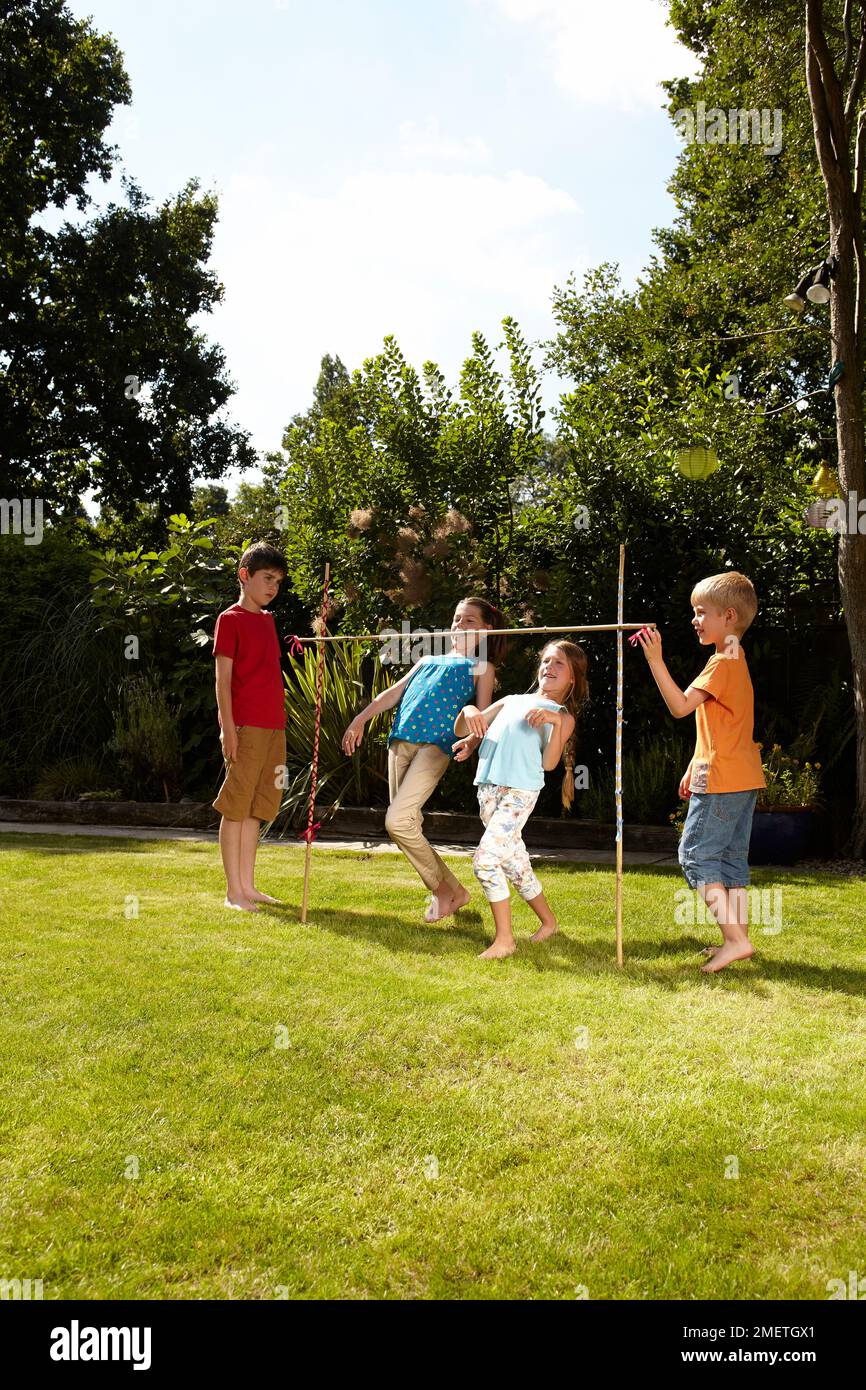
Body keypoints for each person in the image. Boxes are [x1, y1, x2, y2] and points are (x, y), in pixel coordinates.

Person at [342, 597, 506, 922]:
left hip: (435, 746)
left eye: (470, 621)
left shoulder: (482, 667)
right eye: (457, 619)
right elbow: (393, 693)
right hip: (400, 741)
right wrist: (360, 719)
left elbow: (483, 716)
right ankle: (454, 891)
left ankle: (442, 891)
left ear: (486, 630)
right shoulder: (429, 659)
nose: (460, 625)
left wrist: (472, 742)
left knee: (396, 821)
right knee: (406, 825)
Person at [634, 572, 765, 973]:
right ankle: (737, 939)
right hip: (741, 776)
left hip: (723, 780)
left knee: (695, 856)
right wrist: (695, 763)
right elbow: (723, 724)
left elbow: (680, 707)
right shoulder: (734, 658)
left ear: (729, 617)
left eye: (701, 612)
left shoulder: (721, 664)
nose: (694, 619)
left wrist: (655, 660)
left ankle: (736, 941)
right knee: (731, 859)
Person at [454, 640, 588, 959]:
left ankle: (505, 940)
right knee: (514, 862)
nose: (549, 667)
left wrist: (555, 722)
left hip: (519, 792)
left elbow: (549, 764)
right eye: (546, 661)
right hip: (488, 788)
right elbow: (465, 728)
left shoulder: (562, 715)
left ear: (572, 678)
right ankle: (549, 923)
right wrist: (469, 714)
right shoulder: (512, 700)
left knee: (486, 860)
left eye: (559, 663)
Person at [212, 541, 288, 911]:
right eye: (267, 578)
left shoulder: (268, 621)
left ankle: (248, 886)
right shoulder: (230, 620)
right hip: (245, 727)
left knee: (257, 809)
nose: (273, 587)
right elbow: (222, 681)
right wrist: (228, 729)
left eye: (278, 581)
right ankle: (233, 892)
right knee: (236, 808)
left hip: (275, 727)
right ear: (245, 575)